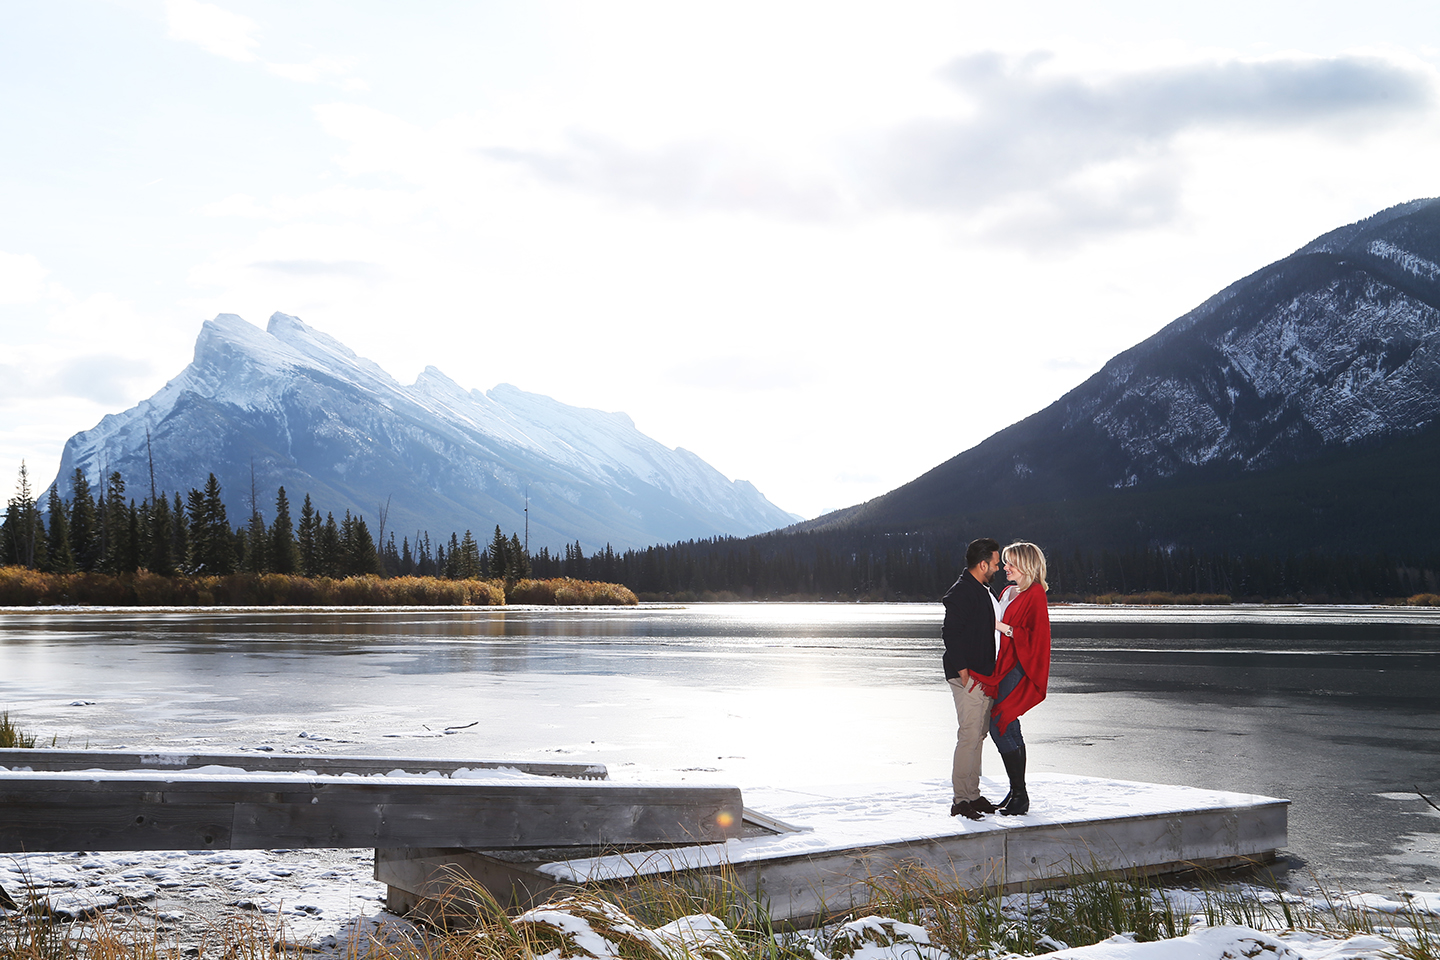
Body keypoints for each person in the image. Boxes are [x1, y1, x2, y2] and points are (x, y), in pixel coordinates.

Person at [981, 541, 1052, 816]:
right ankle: (1016, 792)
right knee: (1007, 724)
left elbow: (1036, 637)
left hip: (1021, 665)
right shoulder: (1010, 591)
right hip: (1004, 663)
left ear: (1025, 564)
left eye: (1010, 563)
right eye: (1006, 562)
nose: (1005, 567)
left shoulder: (1035, 593)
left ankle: (1020, 794)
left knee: (1000, 721)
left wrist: (998, 625)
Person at [941, 537, 1002, 819]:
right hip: (969, 677)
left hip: (982, 676)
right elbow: (950, 634)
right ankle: (960, 800)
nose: (998, 567)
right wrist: (964, 673)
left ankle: (973, 795)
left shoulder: (980, 589)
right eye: (995, 562)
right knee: (969, 736)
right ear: (982, 564)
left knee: (978, 735)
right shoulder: (962, 591)